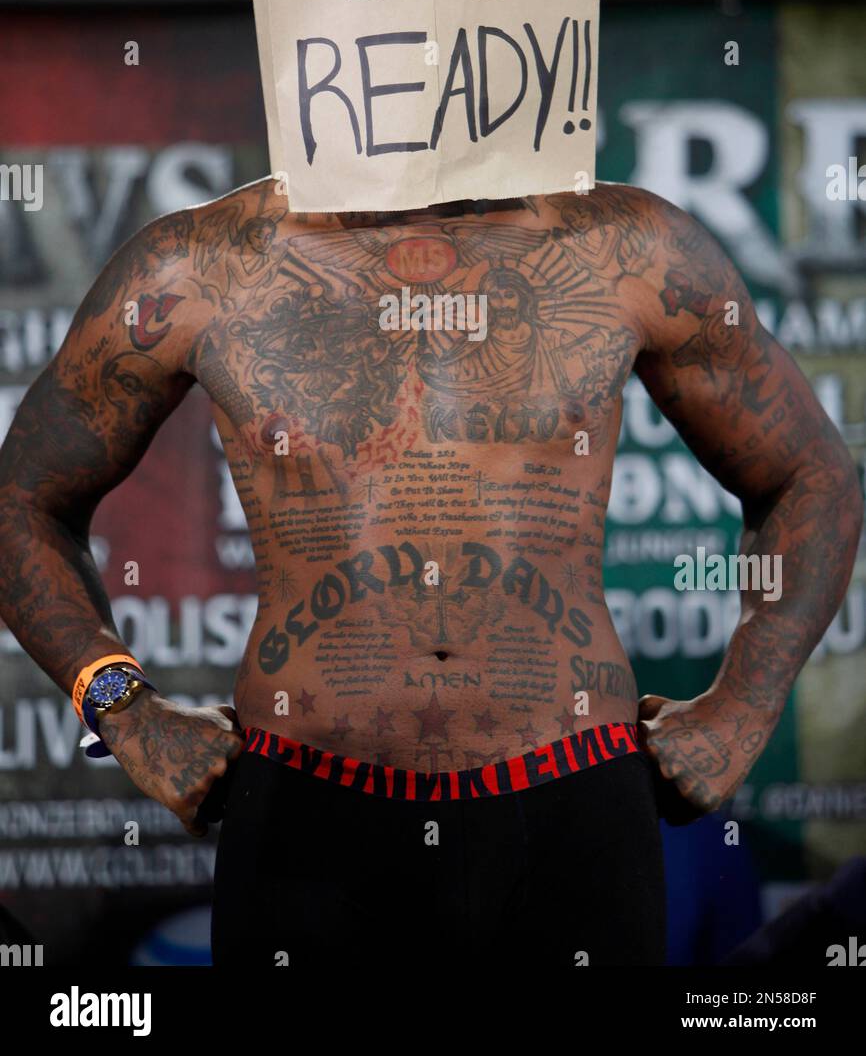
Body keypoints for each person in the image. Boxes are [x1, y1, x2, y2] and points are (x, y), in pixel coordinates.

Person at [0, 179, 860, 973]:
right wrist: (121, 708)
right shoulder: (207, 262)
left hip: (567, 797)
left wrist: (745, 707)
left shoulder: (625, 246)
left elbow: (810, 477)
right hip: (309, 807)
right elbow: (22, 502)